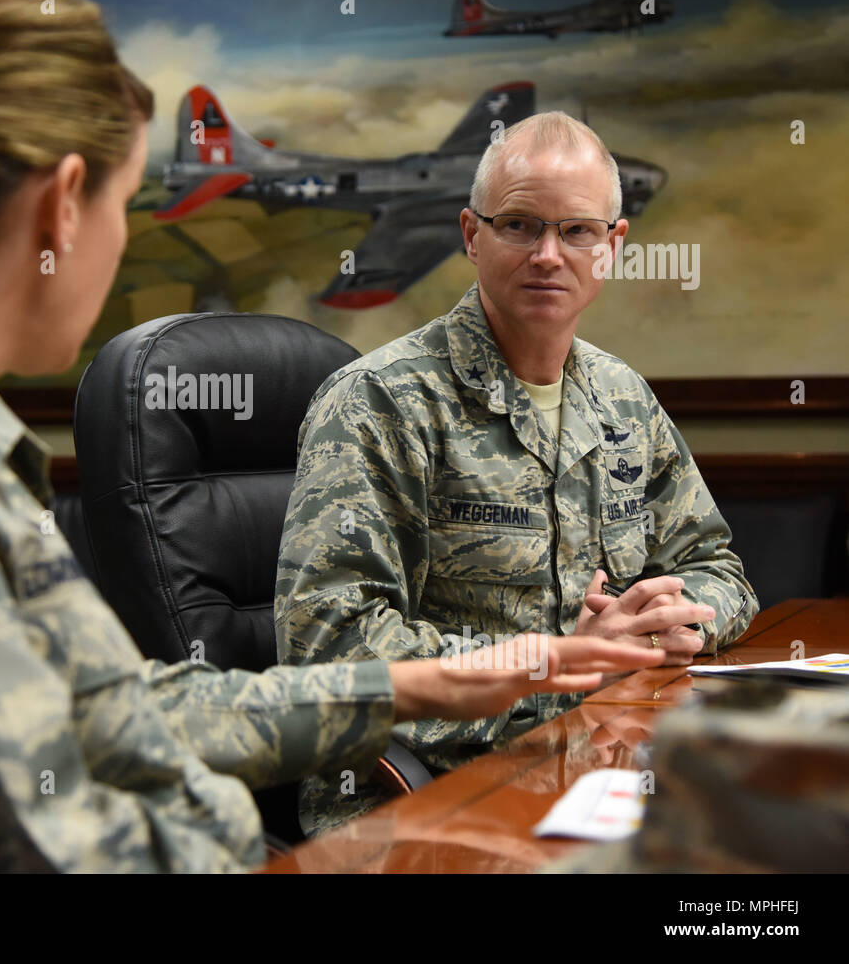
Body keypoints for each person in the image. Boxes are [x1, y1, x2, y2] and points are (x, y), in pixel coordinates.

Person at [0, 0, 660, 873]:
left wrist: (423, 683)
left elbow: (110, 710)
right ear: (64, 205)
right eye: (123, 199)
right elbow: (33, 847)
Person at [275, 111, 758, 835]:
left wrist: (661, 626)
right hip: (424, 809)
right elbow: (330, 650)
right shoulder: (379, 402)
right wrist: (561, 665)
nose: (548, 256)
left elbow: (716, 568)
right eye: (520, 226)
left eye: (578, 231)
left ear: (612, 247)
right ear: (472, 235)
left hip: (600, 773)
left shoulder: (623, 398)